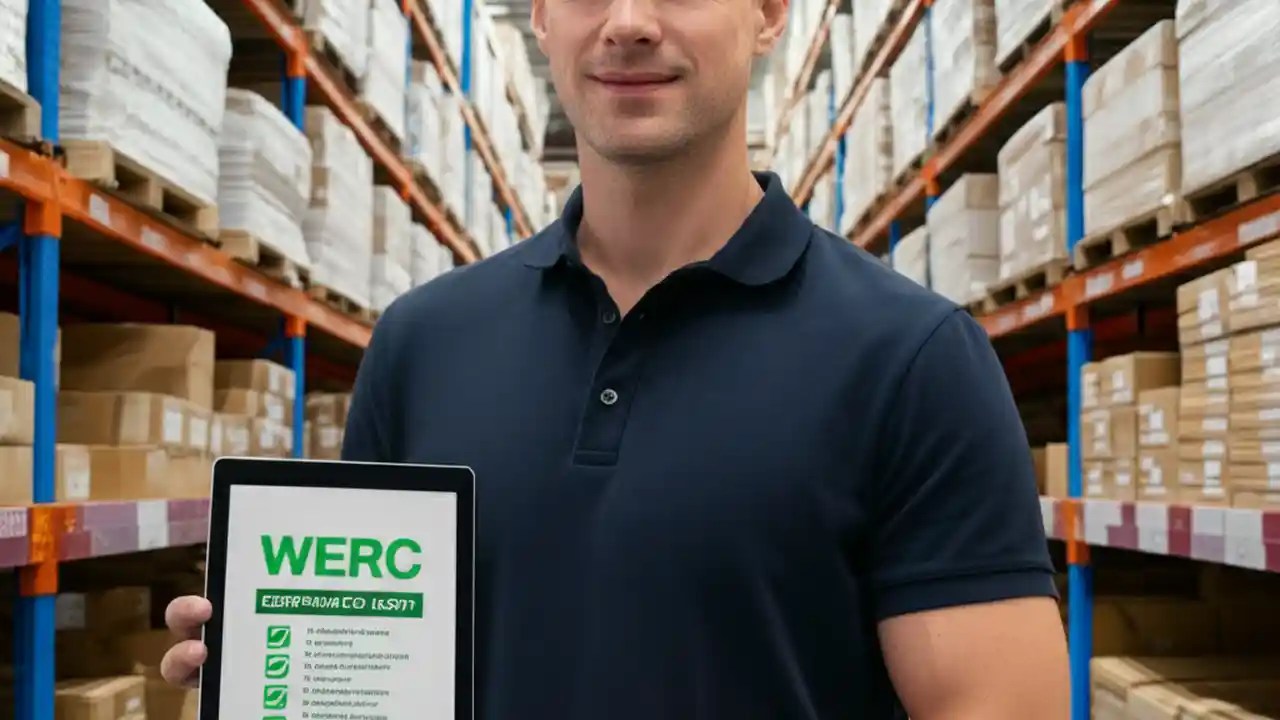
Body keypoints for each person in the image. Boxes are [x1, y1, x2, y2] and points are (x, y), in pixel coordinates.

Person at [162, 0, 1071, 716]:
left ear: (769, 12)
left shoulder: (914, 361)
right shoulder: (421, 344)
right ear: (542, 16)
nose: (629, 21)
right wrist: (276, 673)